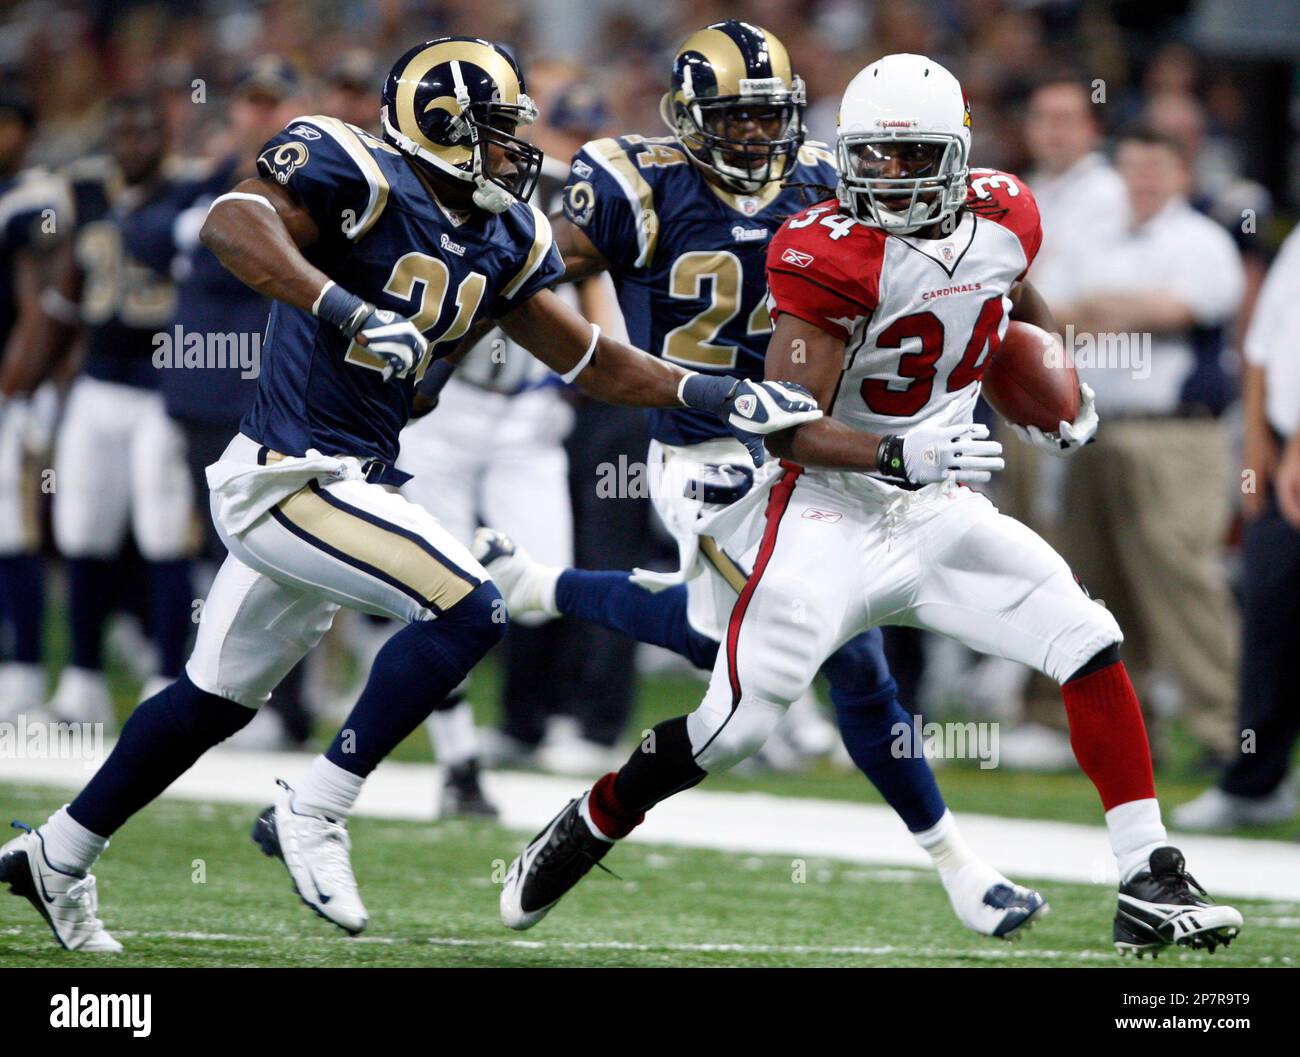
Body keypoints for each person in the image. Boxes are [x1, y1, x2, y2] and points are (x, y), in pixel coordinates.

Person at [0, 36, 817, 952]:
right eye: (500, 130)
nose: (521, 149)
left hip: (349, 478)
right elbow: (238, 221)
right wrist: (342, 307)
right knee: (472, 606)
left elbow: (590, 357)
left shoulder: (508, 231)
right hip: (288, 473)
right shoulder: (355, 168)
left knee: (209, 702)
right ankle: (316, 806)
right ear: (444, 127)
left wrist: (713, 391)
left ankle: (57, 854)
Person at [501, 54, 1244, 958]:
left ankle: (1148, 875)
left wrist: (1055, 381)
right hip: (824, 506)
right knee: (735, 726)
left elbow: (1006, 293)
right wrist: (902, 447)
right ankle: (597, 814)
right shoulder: (821, 252)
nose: (887, 179)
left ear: (958, 154)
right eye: (872, 158)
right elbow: (784, 429)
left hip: (934, 505)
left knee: (1086, 635)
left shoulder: (1007, 208)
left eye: (912, 158)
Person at [481, 20, 1048, 940]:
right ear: (687, 116)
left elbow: (978, 273)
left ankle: (540, 587)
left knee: (729, 639)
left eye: (766, 117)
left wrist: (1030, 357)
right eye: (733, 118)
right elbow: (523, 277)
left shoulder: (839, 176)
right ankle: (960, 865)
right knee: (844, 652)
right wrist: (558, 354)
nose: (753, 136)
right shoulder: (639, 182)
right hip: (707, 453)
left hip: (816, 439)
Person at [5, 94, 215, 724]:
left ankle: (162, 681)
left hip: (162, 386)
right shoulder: (87, 188)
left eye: (145, 128)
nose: (133, 141)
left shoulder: (192, 189)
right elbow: (64, 282)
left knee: (162, 533)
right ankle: (82, 683)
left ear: (166, 131)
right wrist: (33, 378)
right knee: (79, 531)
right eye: (122, 128)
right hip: (97, 382)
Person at [1054, 128, 1245, 765]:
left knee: (1182, 572)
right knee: (1098, 584)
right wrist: (1118, 308)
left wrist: (1107, 307)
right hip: (1095, 427)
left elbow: (1184, 308)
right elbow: (1052, 315)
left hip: (1176, 432)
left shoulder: (1203, 240)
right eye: (1134, 167)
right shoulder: (1094, 237)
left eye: (1157, 168)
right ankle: (1133, 738)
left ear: (1182, 175)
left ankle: (1224, 729)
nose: (1144, 180)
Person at [1174, 223, 1300, 830]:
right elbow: (1263, 344)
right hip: (1277, 451)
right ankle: (1254, 783)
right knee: (1269, 612)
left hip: (1293, 450)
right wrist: (1256, 438)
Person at [0, 90, 65, 719]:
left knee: (15, 530)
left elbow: (39, 297)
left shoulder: (37, 194)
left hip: (15, 385)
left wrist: (27, 383)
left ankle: (23, 674)